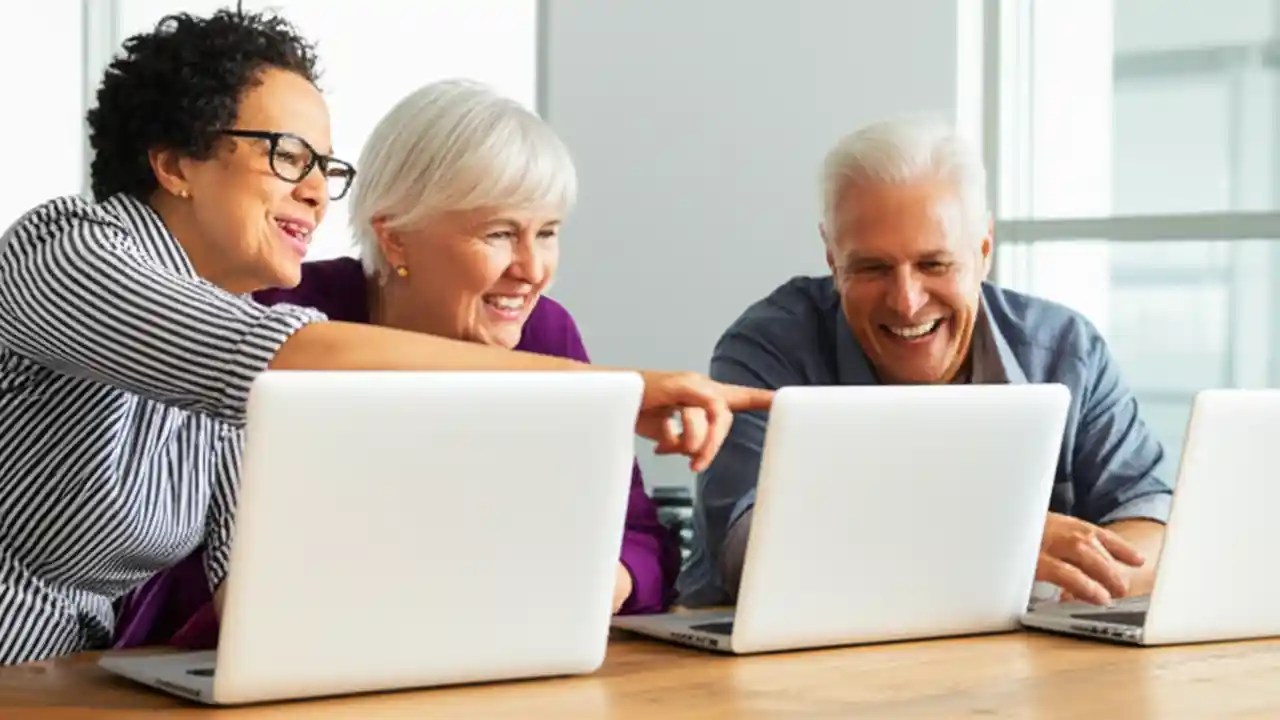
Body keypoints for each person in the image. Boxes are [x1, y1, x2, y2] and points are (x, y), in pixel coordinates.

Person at [0, 9, 768, 666]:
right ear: (173, 163)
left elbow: (255, 586)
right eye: (286, 156)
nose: (313, 189)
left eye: (320, 166)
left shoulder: (232, 329)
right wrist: (609, 393)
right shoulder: (67, 249)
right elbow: (292, 358)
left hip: (82, 674)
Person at [113, 80, 683, 649]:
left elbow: (638, 536)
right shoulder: (279, 312)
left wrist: (601, 583)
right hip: (241, 649)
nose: (532, 269)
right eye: (501, 233)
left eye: (549, 233)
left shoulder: (546, 331)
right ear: (396, 239)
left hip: (475, 652)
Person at [677, 118, 1171, 609]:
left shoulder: (1065, 351)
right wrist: (993, 540)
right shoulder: (769, 350)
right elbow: (747, 552)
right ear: (832, 257)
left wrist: (1081, 576)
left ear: (983, 251)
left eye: (934, 265)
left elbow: (1153, 524)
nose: (907, 302)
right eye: (872, 268)